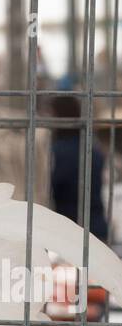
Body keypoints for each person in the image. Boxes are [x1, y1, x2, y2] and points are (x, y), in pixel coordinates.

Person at [50, 92, 109, 241]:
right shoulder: (93, 150)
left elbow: (50, 187)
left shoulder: (59, 152)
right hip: (96, 225)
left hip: (70, 229)